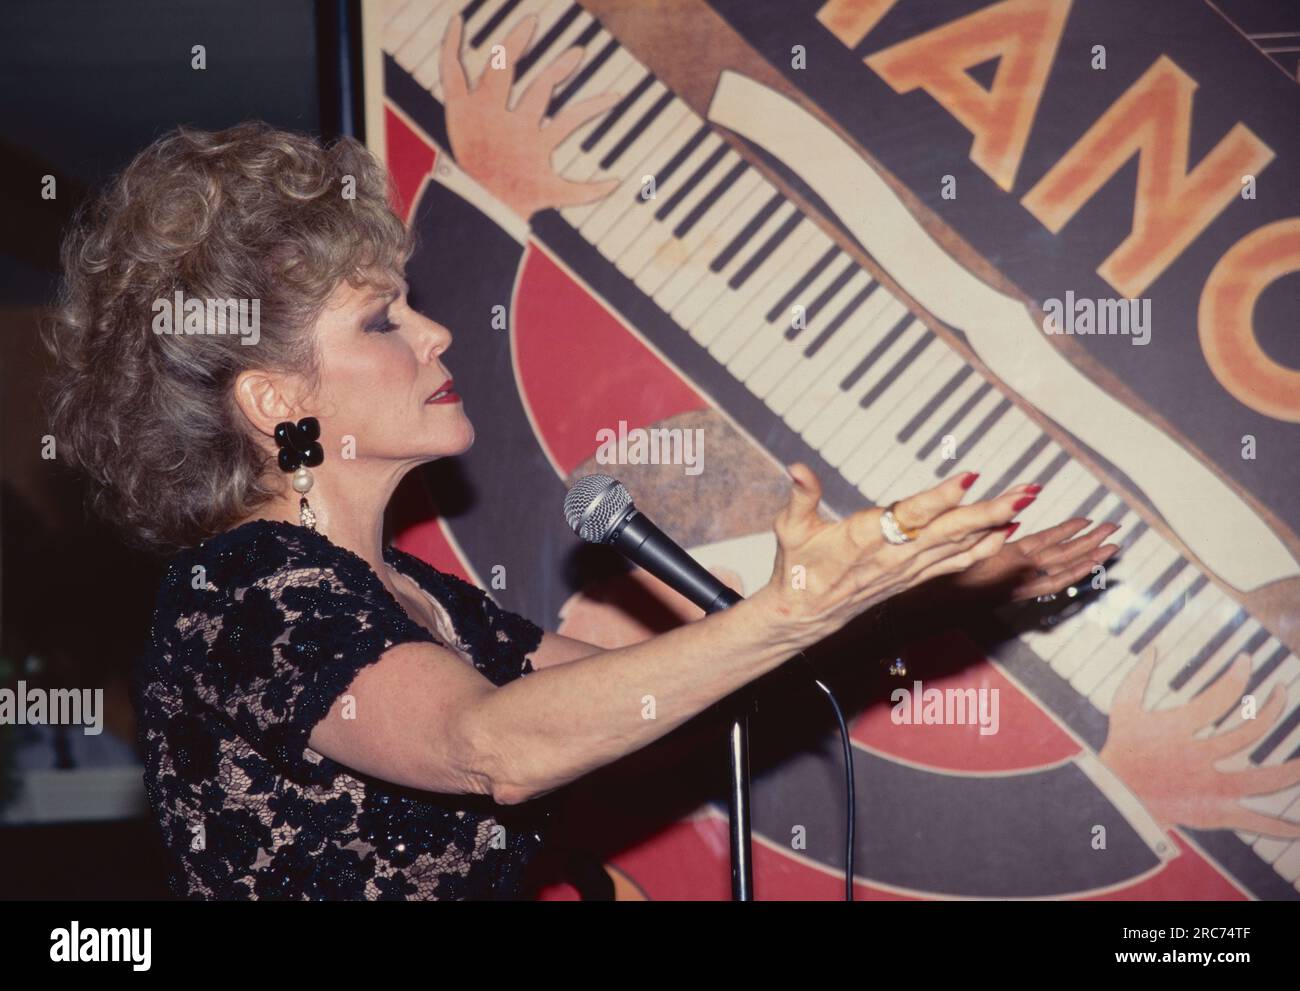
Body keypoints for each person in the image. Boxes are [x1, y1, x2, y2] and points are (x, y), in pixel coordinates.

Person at [39, 16, 1105, 900]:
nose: (435, 335)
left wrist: (908, 592)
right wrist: (789, 609)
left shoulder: (412, 597)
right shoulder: (244, 594)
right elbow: (489, 747)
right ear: (279, 404)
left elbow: (661, 702)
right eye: (380, 322)